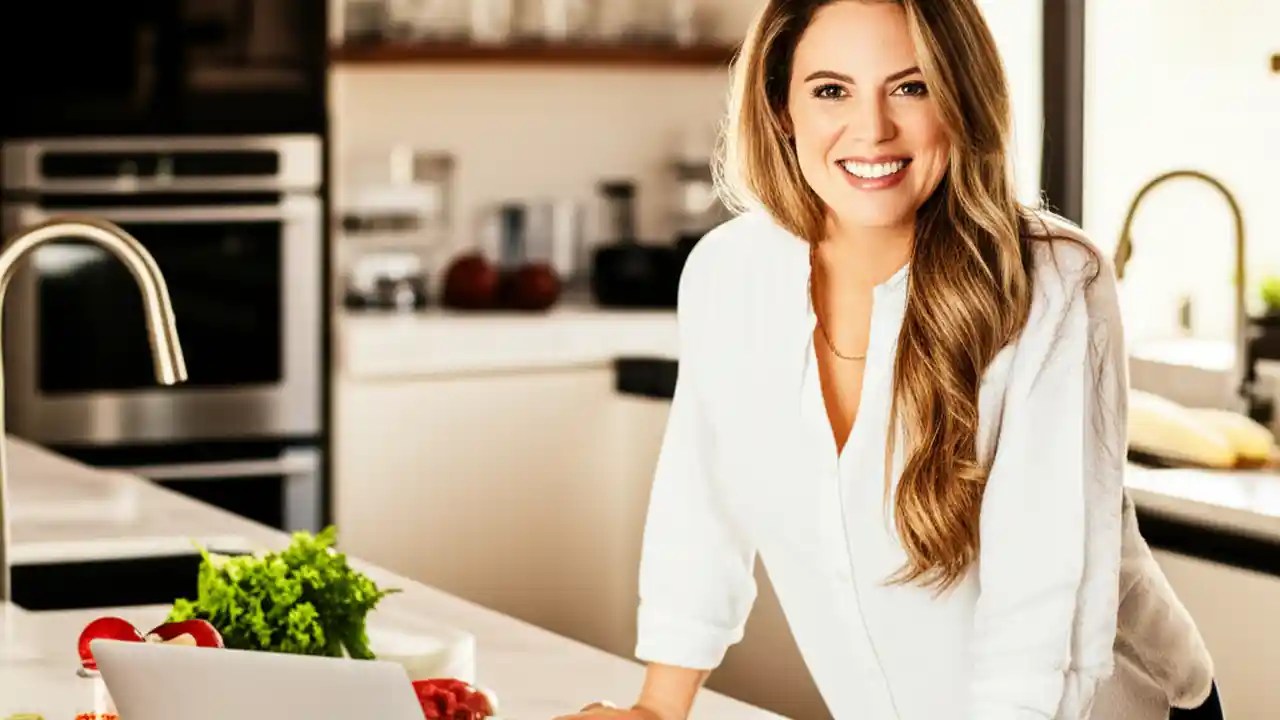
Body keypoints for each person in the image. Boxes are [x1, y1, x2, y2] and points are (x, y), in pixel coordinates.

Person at [557, 2, 1220, 719]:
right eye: (831, 90)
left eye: (911, 86)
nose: (871, 129)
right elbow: (701, 498)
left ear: (961, 96)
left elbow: (1040, 597)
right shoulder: (730, 273)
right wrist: (658, 706)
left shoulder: (1053, 282)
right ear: (782, 107)